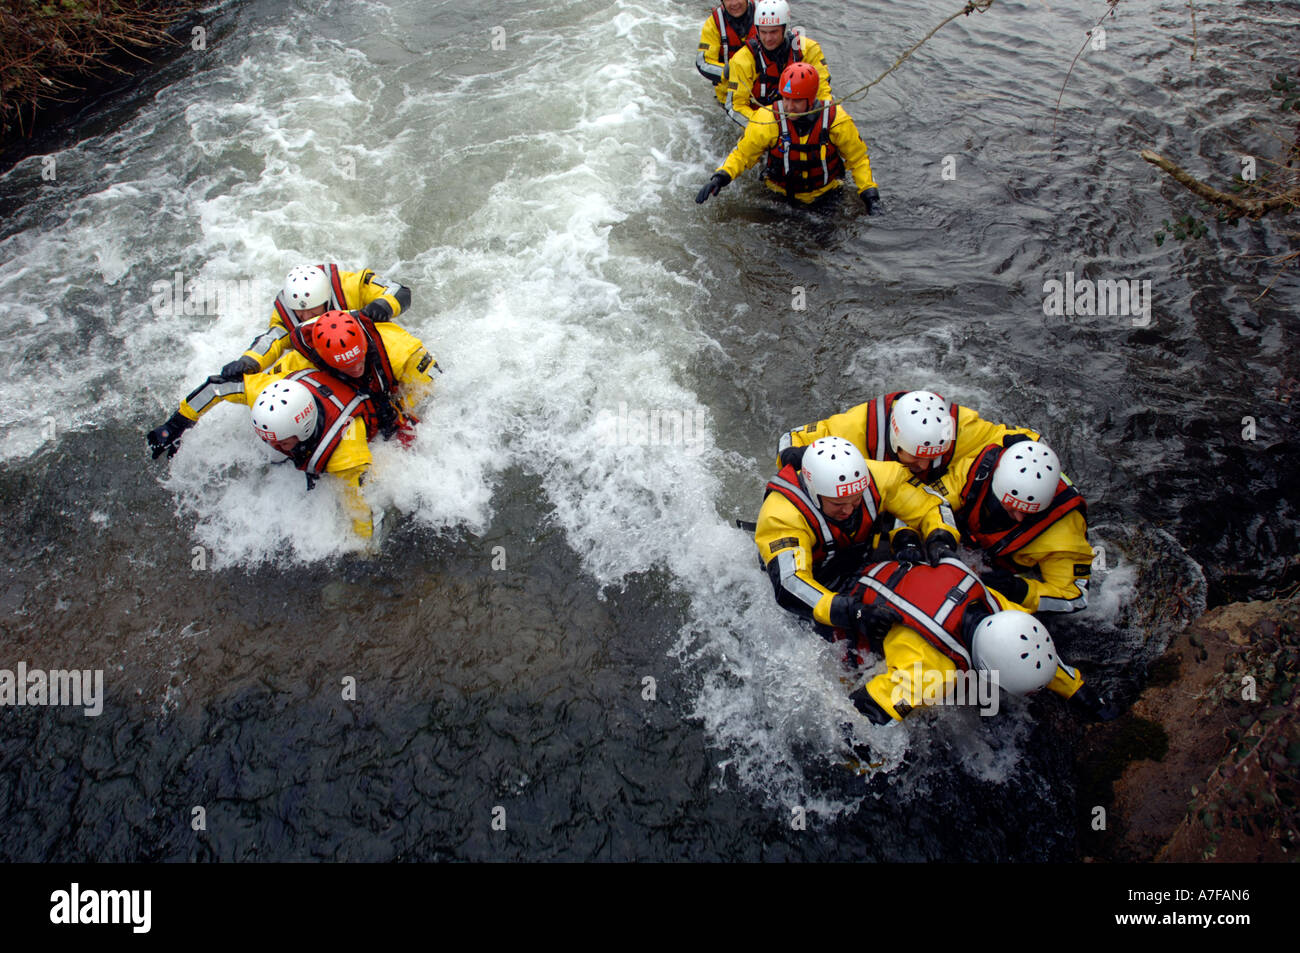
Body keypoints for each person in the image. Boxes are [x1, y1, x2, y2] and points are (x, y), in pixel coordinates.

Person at [835, 558, 1116, 723]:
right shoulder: (933, 675)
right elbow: (863, 712)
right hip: (849, 613)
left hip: (873, 566)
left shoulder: (1001, 608)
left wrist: (1083, 695)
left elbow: (1029, 650)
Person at [754, 436, 960, 645]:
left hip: (856, 561)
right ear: (814, 493)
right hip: (813, 585)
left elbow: (933, 505)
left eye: (856, 500)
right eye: (838, 503)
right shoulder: (781, 515)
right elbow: (791, 584)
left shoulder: (880, 478)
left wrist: (940, 538)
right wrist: (852, 612)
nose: (849, 510)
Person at [148, 360, 384, 540]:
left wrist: (365, 552)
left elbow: (363, 513)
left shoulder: (347, 457)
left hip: (349, 418)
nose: (273, 446)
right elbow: (216, 389)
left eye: (281, 443)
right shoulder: (267, 392)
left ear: (302, 432)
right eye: (268, 439)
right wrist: (175, 425)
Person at [696, 61, 880, 210]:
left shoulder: (836, 120)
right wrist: (721, 177)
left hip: (827, 196)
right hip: (777, 197)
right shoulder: (767, 118)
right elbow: (743, 154)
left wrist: (869, 193)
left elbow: (858, 160)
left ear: (811, 99)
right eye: (786, 98)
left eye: (797, 101)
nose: (790, 107)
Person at [939, 438, 1093, 614]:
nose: (1019, 518)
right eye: (1012, 508)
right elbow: (931, 501)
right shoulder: (976, 470)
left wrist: (1021, 590)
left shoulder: (1065, 534)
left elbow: (1075, 596)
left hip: (1016, 569)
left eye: (1028, 512)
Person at [777, 390, 1040, 483]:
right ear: (895, 440)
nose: (923, 465)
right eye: (915, 456)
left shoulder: (962, 431)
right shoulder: (856, 427)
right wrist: (799, 457)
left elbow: (1030, 442)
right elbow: (792, 438)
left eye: (931, 457)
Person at [215, 264, 412, 381]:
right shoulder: (287, 313)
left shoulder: (349, 285)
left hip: (367, 351)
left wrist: (383, 305)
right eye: (300, 310)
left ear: (326, 299)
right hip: (330, 366)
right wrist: (248, 362)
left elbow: (398, 291)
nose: (306, 316)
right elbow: (271, 340)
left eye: (312, 309)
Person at [286, 309, 439, 443]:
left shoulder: (400, 350)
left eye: (359, 360)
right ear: (324, 360)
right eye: (347, 366)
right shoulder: (302, 362)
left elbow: (433, 387)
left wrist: (399, 411)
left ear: (365, 345)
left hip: (393, 394)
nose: (356, 368)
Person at [722, 0, 830, 128]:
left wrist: (822, 122)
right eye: (763, 32)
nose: (768, 39)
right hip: (760, 123)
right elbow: (736, 106)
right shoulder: (742, 60)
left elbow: (823, 93)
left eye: (773, 32)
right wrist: (766, 127)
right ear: (757, 30)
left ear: (785, 29)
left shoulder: (808, 50)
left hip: (798, 116)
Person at [696, 1, 757, 108]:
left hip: (762, 98)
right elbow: (703, 62)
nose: (734, 3)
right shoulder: (714, 23)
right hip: (728, 99)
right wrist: (730, 72)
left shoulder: (766, 14)